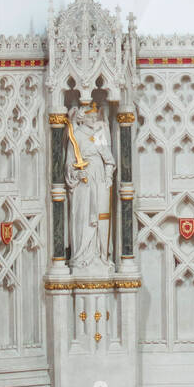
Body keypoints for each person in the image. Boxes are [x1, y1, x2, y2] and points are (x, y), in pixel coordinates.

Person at [65, 103, 115, 270]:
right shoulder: (76, 135)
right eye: (90, 117)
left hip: (99, 178)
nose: (94, 119)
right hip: (83, 183)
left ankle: (100, 256)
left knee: (101, 216)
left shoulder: (99, 135)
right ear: (83, 118)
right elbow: (69, 163)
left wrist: (108, 176)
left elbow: (109, 159)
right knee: (83, 216)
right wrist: (77, 174)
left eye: (95, 117)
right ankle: (81, 256)